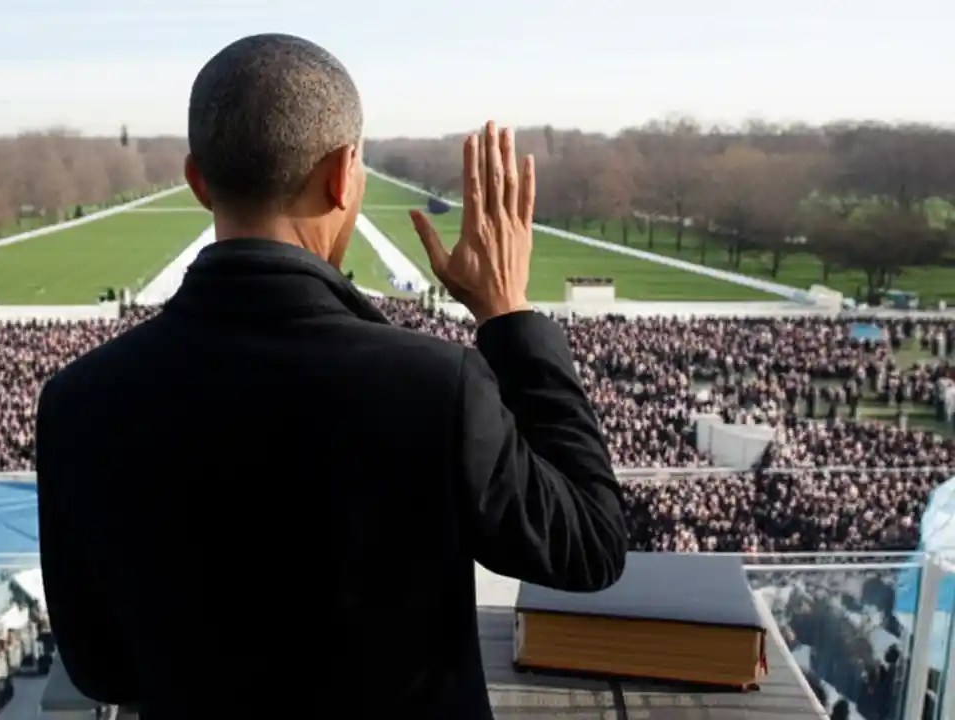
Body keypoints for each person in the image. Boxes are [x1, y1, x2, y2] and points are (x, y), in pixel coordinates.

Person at [36, 33, 627, 720]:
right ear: (344, 174)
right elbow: (590, 544)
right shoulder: (436, 386)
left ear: (197, 181)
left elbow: (100, 667)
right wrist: (508, 315)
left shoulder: (80, 401)